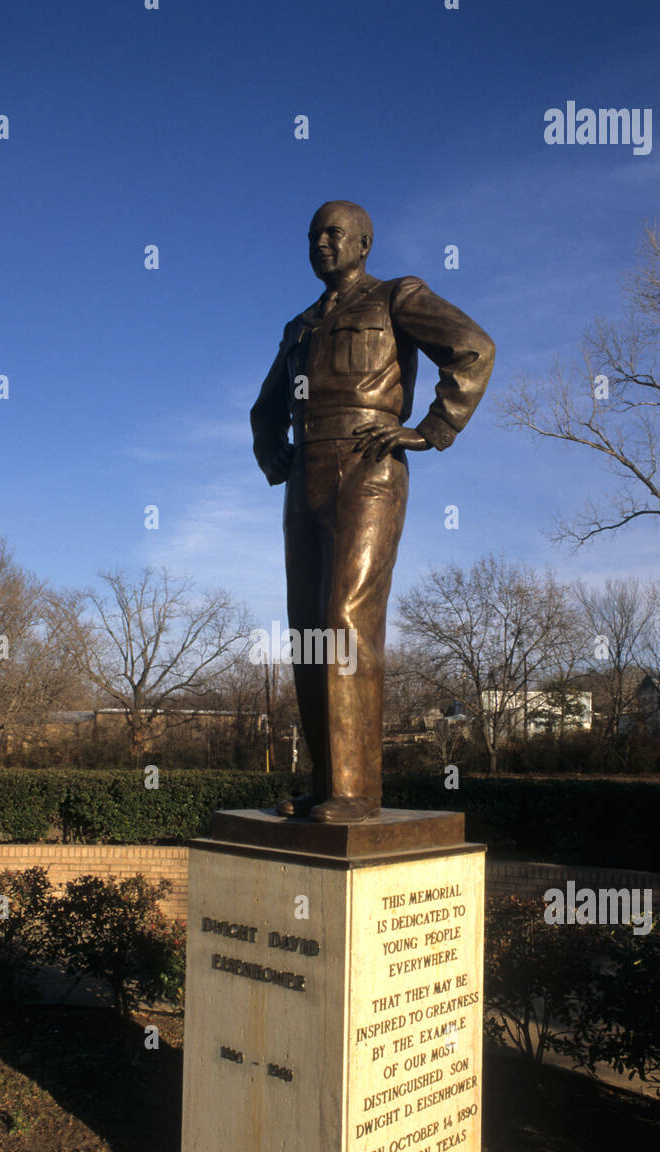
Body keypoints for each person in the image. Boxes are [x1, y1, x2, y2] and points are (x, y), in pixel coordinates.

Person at [251, 201, 494, 824]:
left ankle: (355, 792)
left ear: (363, 243)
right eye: (312, 236)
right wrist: (271, 450)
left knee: (347, 616)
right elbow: (265, 407)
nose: (321, 243)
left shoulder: (395, 296)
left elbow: (472, 349)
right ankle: (325, 782)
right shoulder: (300, 325)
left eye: (334, 233)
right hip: (305, 470)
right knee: (307, 625)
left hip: (370, 462)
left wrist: (434, 427)